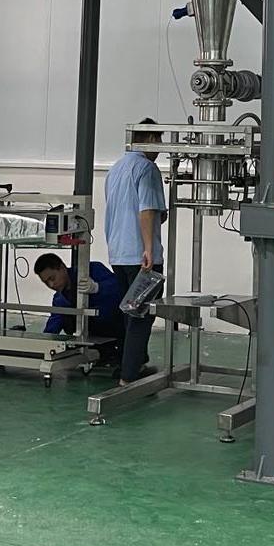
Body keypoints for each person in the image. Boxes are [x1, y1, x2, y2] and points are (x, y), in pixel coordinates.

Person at [103, 118, 166, 386]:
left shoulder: (115, 169)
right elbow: (147, 210)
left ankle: (132, 362)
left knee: (129, 313)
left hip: (118, 254)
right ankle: (128, 378)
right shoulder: (147, 168)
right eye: (158, 141)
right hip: (142, 257)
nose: (160, 148)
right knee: (141, 315)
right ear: (148, 139)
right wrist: (149, 249)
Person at [33, 252, 124, 364]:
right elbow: (54, 324)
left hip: (118, 330)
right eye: (46, 282)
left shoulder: (92, 270)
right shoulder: (59, 299)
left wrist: (98, 288)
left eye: (52, 278)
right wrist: (43, 343)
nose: (51, 285)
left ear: (62, 267)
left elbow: (120, 287)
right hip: (92, 340)